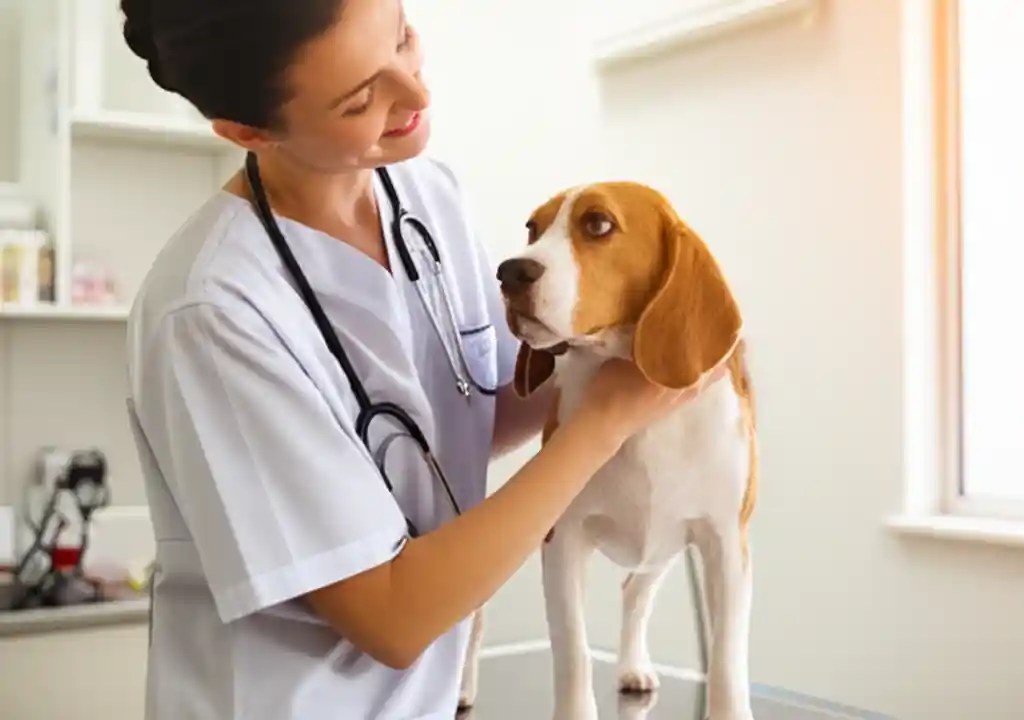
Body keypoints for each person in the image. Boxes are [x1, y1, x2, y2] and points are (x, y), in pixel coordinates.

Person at [120, 0, 717, 717]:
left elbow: (471, 409)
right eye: (363, 98)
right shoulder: (213, 313)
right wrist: (601, 423)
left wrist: (622, 335)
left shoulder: (427, 197)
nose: (418, 93)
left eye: (403, 38)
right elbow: (391, 613)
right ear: (248, 130)